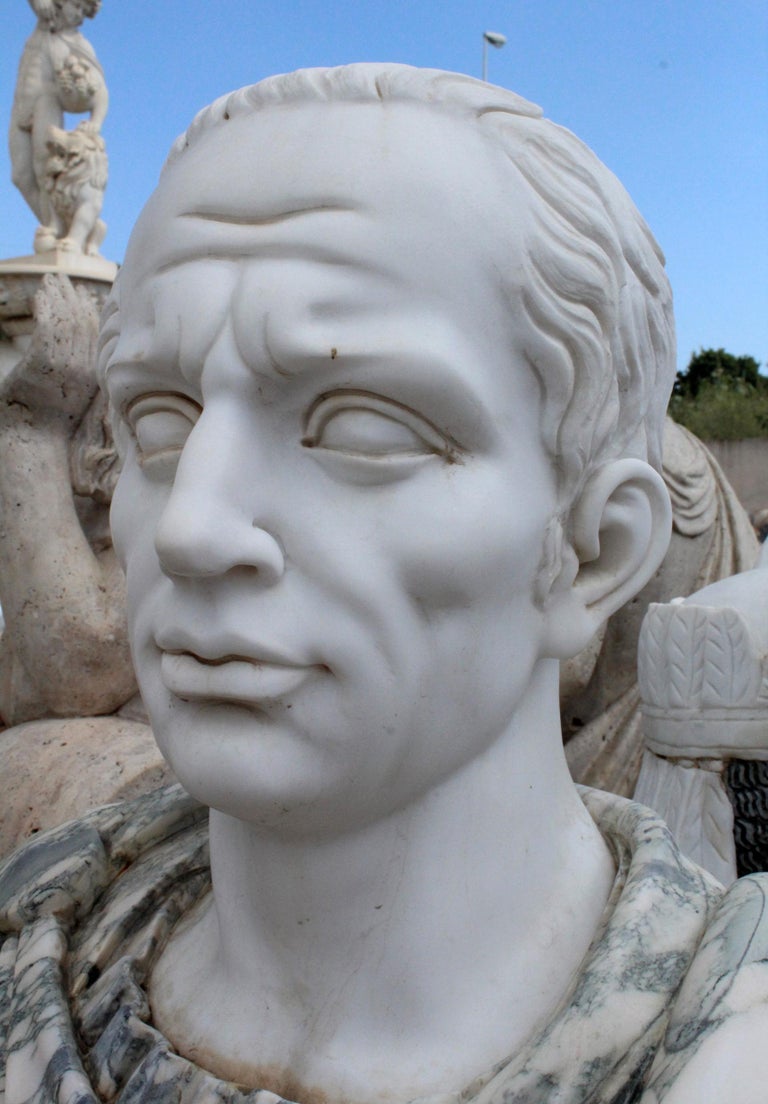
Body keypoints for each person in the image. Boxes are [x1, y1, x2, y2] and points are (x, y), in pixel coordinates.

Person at [2, 64, 767, 1104]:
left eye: (360, 425)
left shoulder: (730, 1055)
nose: (193, 528)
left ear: (590, 551)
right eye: (160, 420)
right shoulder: (34, 933)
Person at [9, 0, 107, 251]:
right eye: (76, 7)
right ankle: (62, 225)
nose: (79, 16)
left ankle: (56, 227)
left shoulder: (78, 44)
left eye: (84, 12)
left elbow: (100, 92)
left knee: (45, 171)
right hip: (21, 107)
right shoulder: (46, 25)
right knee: (20, 176)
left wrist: (95, 123)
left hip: (46, 104)